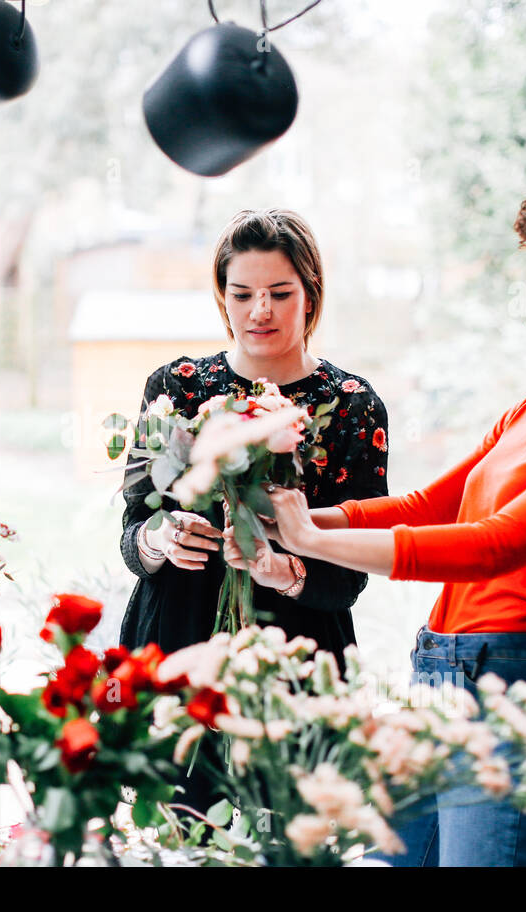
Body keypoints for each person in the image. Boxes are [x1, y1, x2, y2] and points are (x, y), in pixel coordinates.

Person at [264, 169, 526, 866]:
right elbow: (434, 505)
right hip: (439, 673)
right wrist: (301, 522)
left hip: (513, 686)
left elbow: (496, 546)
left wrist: (312, 542)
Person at [119, 208, 389, 811]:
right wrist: (160, 540)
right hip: (177, 642)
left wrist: (286, 570)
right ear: (222, 298)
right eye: (241, 294)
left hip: (298, 654)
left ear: (310, 296)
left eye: (278, 293)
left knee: (289, 836)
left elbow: (354, 571)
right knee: (179, 836)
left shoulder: (351, 406)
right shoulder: (177, 388)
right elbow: (132, 530)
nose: (259, 311)